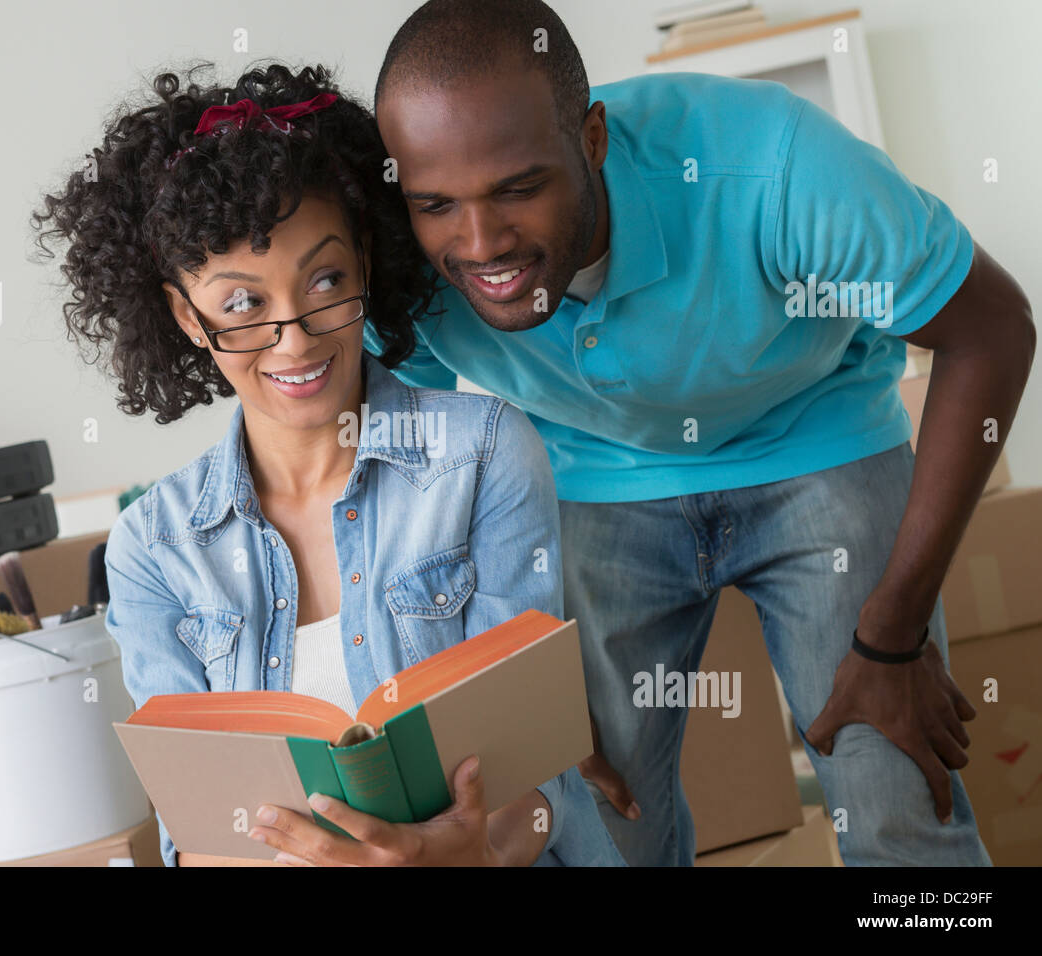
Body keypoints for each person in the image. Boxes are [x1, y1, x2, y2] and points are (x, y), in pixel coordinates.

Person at [364, 0, 1035, 865]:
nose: (482, 241)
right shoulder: (405, 266)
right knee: (593, 821)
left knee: (895, 800)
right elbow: (412, 458)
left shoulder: (775, 169)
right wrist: (511, 691)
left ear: (593, 140)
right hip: (596, 478)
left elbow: (993, 327)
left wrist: (895, 635)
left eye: (519, 189)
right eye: (436, 204)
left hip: (813, 437)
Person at [31, 62, 625, 867]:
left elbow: (538, 789)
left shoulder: (481, 453)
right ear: (186, 315)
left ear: (366, 266)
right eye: (242, 304)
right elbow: (195, 838)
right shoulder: (153, 550)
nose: (297, 338)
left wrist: (467, 856)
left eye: (325, 280)